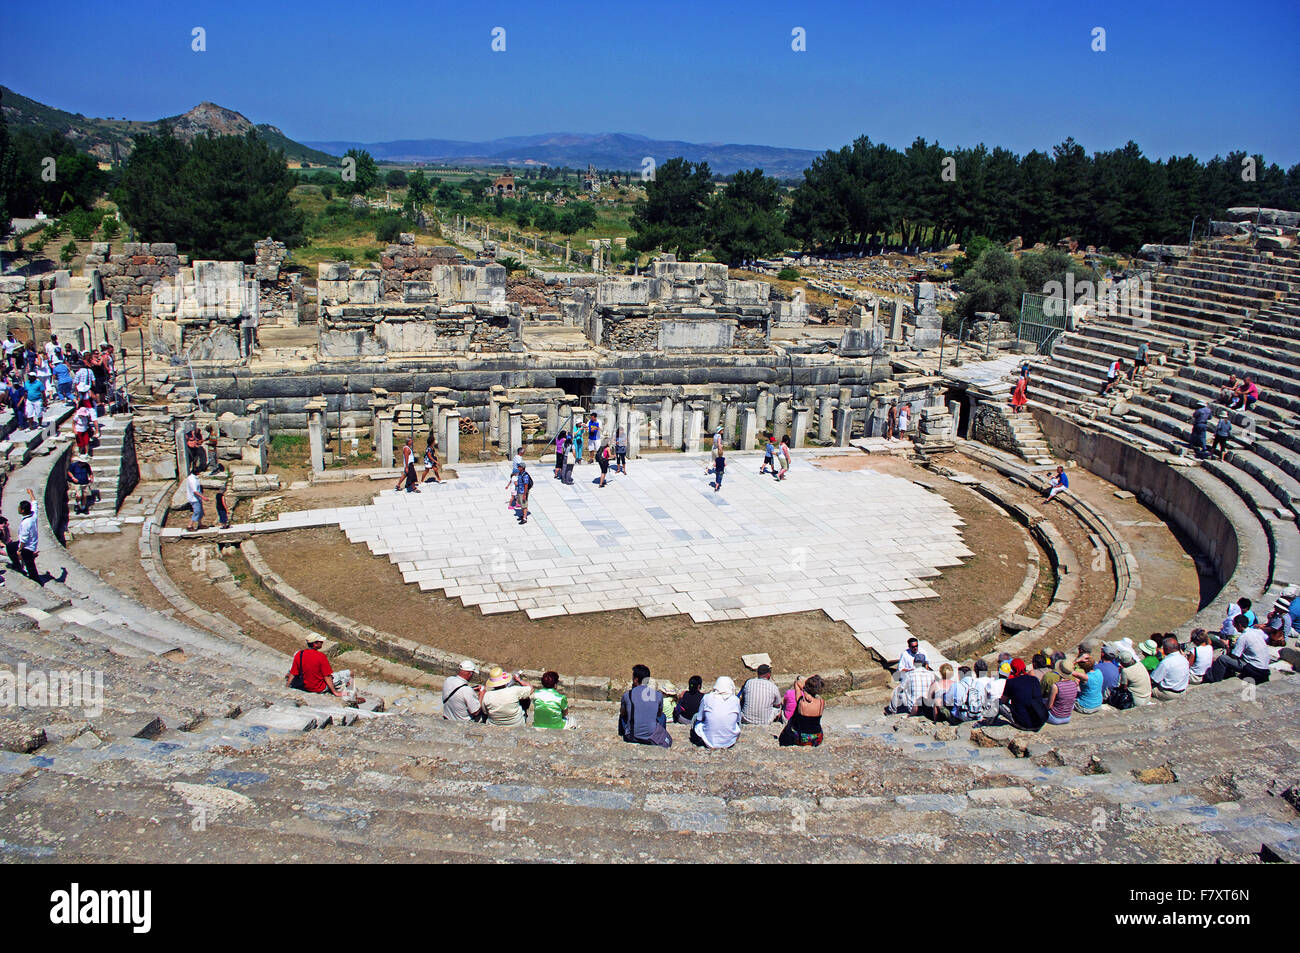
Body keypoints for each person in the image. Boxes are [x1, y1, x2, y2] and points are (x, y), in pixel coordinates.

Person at [286, 634, 361, 703]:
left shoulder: (299, 654)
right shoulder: (321, 656)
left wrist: (287, 686)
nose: (322, 642)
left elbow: (293, 673)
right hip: (320, 688)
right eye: (320, 642)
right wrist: (335, 692)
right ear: (315, 644)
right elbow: (327, 676)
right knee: (350, 673)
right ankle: (351, 696)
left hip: (304, 686)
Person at [618, 664, 671, 747]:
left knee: (622, 717)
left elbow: (623, 712)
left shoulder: (627, 695)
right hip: (651, 737)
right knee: (663, 716)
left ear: (635, 680)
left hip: (631, 736)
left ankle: (622, 734)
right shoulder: (657, 695)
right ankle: (659, 736)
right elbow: (659, 714)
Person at [691, 676, 742, 748]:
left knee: (695, 716)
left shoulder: (707, 697)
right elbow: (738, 720)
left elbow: (700, 717)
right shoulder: (735, 700)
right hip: (729, 742)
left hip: (709, 741)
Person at [999, 658, 1047, 731]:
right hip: (1040, 721)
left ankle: (989, 723)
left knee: (997, 703)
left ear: (1012, 669)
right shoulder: (1034, 679)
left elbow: (1003, 701)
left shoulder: (1011, 682)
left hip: (1024, 724)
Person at [778, 675, 825, 747]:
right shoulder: (821, 702)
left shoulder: (801, 702)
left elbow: (797, 683)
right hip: (816, 737)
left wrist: (805, 691)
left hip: (801, 738)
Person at [1045, 659, 1079, 724]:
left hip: (1055, 718)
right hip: (1068, 717)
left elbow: (1049, 706)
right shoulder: (1075, 683)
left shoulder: (1056, 686)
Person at [17, 489, 41, 583]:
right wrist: (31, 493)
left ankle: (36, 581)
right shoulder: (33, 514)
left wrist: (20, 549)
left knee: (30, 565)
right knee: (10, 547)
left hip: (27, 546)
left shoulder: (26, 523)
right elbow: (34, 503)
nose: (18, 508)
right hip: (32, 543)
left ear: (22, 510)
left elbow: (24, 539)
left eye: (19, 507)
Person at [184, 464, 207, 532]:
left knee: (200, 511)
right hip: (194, 499)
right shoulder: (192, 480)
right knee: (197, 512)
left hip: (197, 498)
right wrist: (203, 497)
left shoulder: (192, 477)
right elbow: (195, 491)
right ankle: (190, 525)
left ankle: (200, 524)